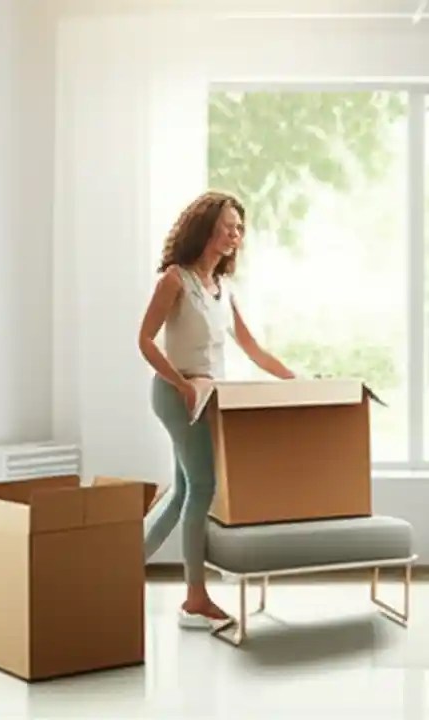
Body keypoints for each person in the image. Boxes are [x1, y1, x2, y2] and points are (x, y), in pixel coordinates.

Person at [137, 191, 296, 628]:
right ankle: (194, 598)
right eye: (227, 225)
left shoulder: (224, 290)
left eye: (240, 228)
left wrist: (296, 382)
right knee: (202, 487)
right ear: (204, 226)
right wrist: (181, 383)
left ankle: (117, 571)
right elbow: (145, 341)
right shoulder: (176, 279)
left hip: (207, 399)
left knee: (185, 491)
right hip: (177, 396)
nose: (235, 234)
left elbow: (253, 349)